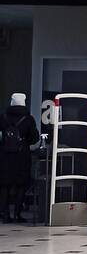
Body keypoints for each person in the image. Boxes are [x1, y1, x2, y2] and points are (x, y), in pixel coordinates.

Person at [0, 93, 39, 223]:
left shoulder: (3, 118)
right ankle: (17, 213)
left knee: (4, 186)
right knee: (20, 186)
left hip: (4, 156)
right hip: (22, 157)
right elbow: (34, 139)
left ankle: (5, 214)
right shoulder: (28, 119)